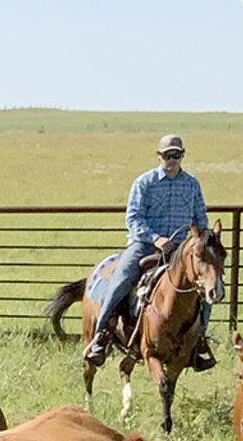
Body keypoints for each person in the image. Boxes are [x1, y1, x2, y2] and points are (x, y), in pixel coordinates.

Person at [85, 133, 217, 371]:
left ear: (182, 156)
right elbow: (133, 217)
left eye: (177, 155)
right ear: (159, 156)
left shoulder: (192, 184)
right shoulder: (144, 182)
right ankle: (101, 336)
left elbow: (201, 218)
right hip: (144, 244)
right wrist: (156, 239)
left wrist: (201, 239)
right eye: (168, 155)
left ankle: (199, 341)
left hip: (181, 248)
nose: (172, 159)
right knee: (121, 279)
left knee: (206, 285)